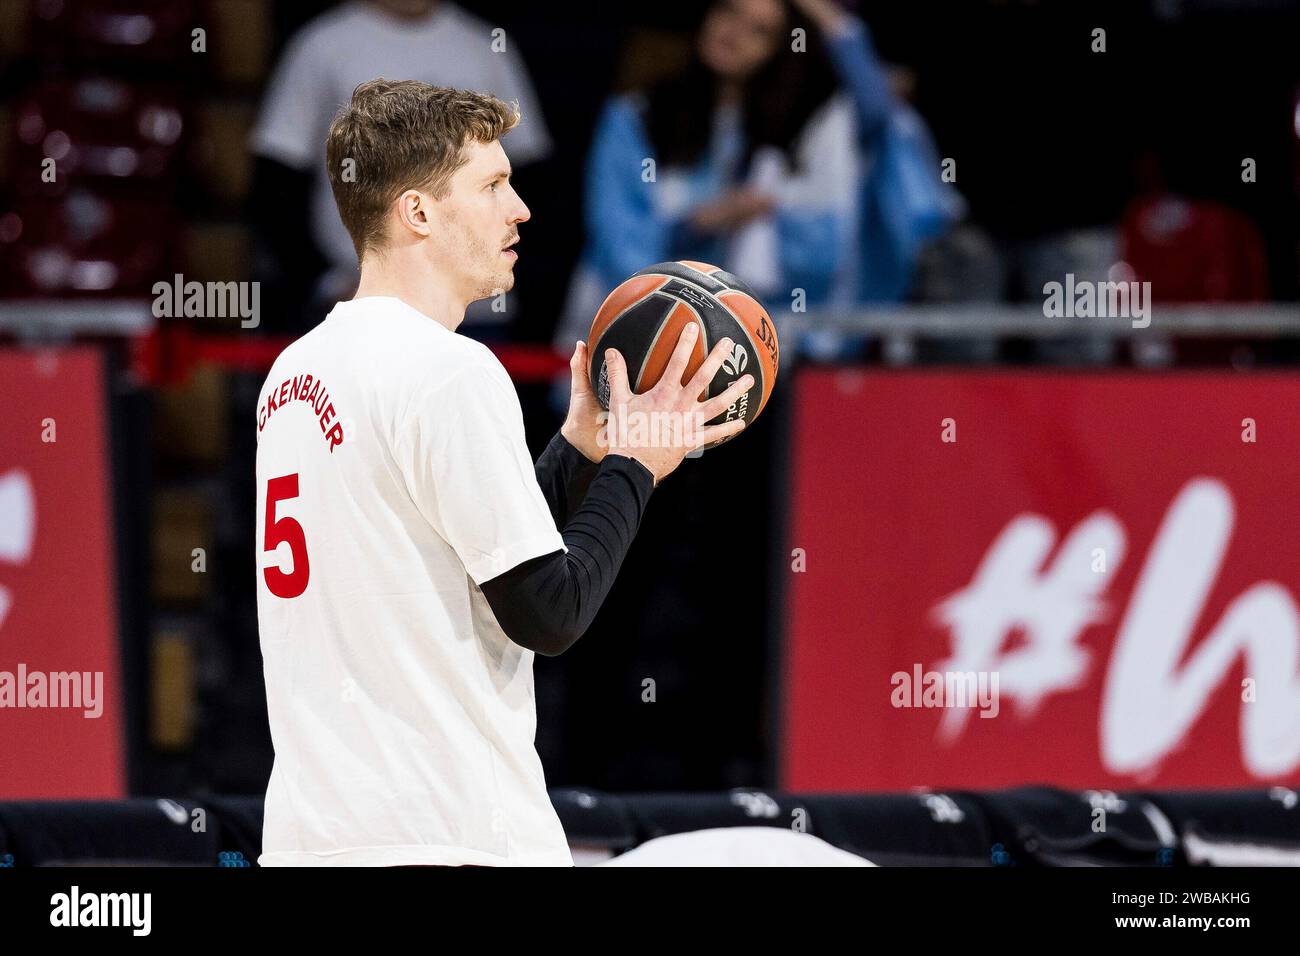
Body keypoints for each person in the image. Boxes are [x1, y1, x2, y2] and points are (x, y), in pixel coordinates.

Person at [253, 79, 751, 866]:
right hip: (448, 835)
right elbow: (548, 614)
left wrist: (578, 449)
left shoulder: (293, 372)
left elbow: (466, 562)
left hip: (314, 840)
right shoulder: (450, 370)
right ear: (418, 213)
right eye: (491, 186)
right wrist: (638, 462)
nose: (519, 209)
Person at [553, 0, 861, 353]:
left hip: (737, 348)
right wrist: (696, 226)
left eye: (760, 31)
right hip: (632, 335)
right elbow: (618, 241)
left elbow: (824, 256)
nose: (735, 33)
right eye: (729, 11)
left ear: (780, 50)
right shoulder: (636, 116)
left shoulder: (793, 135)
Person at [250, 0, 551, 330]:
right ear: (414, 209)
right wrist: (324, 281)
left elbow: (532, 177)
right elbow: (278, 182)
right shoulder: (321, 44)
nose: (519, 211)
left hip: (479, 314)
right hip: (355, 304)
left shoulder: (483, 47)